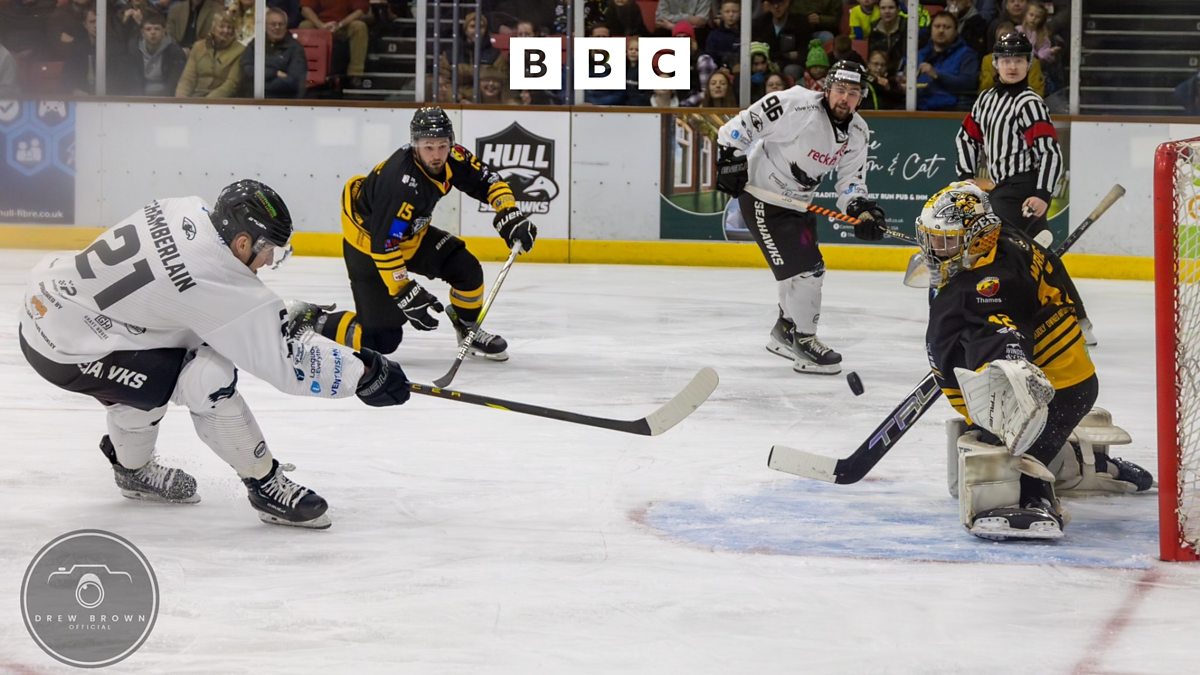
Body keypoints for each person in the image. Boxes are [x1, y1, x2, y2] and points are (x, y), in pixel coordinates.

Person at [18, 180, 412, 530]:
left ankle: (131, 468)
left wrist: (275, 314)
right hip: (70, 347)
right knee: (206, 377)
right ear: (242, 243)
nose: (271, 260)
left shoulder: (182, 206)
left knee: (162, 370)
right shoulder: (216, 277)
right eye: (269, 250)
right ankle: (264, 484)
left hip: (51, 303)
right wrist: (363, 373)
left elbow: (184, 298)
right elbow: (285, 363)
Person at [917, 182, 1152, 541]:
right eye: (933, 238)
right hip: (1065, 359)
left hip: (1063, 382)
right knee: (1006, 408)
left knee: (1014, 418)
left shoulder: (987, 291)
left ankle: (1034, 493)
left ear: (978, 238)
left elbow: (1013, 373)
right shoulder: (1001, 238)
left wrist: (983, 415)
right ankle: (1075, 463)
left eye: (946, 240)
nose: (935, 249)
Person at [297, 107, 536, 361]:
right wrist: (403, 289)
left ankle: (468, 330)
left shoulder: (454, 156)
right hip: (369, 249)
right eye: (428, 147)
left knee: (467, 270)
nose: (436, 155)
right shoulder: (400, 186)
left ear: (451, 142)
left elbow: (487, 181)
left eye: (441, 146)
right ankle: (314, 319)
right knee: (382, 340)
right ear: (415, 146)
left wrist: (508, 213)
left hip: (410, 237)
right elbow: (385, 245)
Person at [715, 61, 886, 375]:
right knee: (809, 269)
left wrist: (861, 208)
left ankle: (785, 330)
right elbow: (741, 125)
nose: (844, 98)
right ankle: (805, 340)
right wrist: (730, 159)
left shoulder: (858, 132)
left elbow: (850, 181)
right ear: (826, 88)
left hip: (797, 204)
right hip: (762, 196)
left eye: (853, 92)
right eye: (840, 90)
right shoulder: (795, 105)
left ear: (861, 97)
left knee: (796, 273)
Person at [953, 32, 1094, 344]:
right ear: (996, 63)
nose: (1012, 66)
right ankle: (1076, 318)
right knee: (1037, 256)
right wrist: (966, 177)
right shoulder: (986, 99)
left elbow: (1048, 150)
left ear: (1028, 64)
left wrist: (1042, 193)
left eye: (1018, 60)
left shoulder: (1030, 103)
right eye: (1006, 60)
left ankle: (995, 316)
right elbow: (966, 137)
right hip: (997, 187)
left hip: (1022, 188)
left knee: (998, 250)